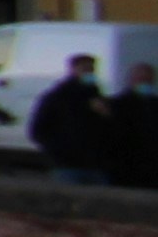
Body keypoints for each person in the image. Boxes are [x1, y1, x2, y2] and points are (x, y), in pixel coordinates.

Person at [30, 53, 117, 186]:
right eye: (85, 69)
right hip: (67, 164)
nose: (89, 73)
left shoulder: (96, 96)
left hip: (96, 163)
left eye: (91, 69)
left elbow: (107, 127)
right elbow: (38, 130)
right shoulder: (58, 97)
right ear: (73, 70)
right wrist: (58, 151)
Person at [109, 63, 158, 193]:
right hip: (126, 165)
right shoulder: (119, 104)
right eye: (141, 79)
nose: (144, 82)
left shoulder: (154, 104)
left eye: (148, 79)